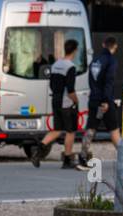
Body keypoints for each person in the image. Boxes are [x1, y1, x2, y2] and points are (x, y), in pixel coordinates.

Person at [29, 39, 83, 170]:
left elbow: (52, 84)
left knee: (57, 129)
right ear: (75, 50)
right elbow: (70, 90)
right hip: (66, 103)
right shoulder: (70, 67)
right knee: (70, 131)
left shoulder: (55, 64)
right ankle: (67, 160)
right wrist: (76, 100)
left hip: (56, 100)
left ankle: (38, 150)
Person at [82, 36, 120, 163]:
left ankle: (83, 155)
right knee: (113, 128)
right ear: (114, 47)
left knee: (91, 127)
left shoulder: (95, 60)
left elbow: (92, 81)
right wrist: (105, 101)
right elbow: (109, 81)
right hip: (105, 102)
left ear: (104, 45)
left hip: (94, 99)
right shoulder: (111, 61)